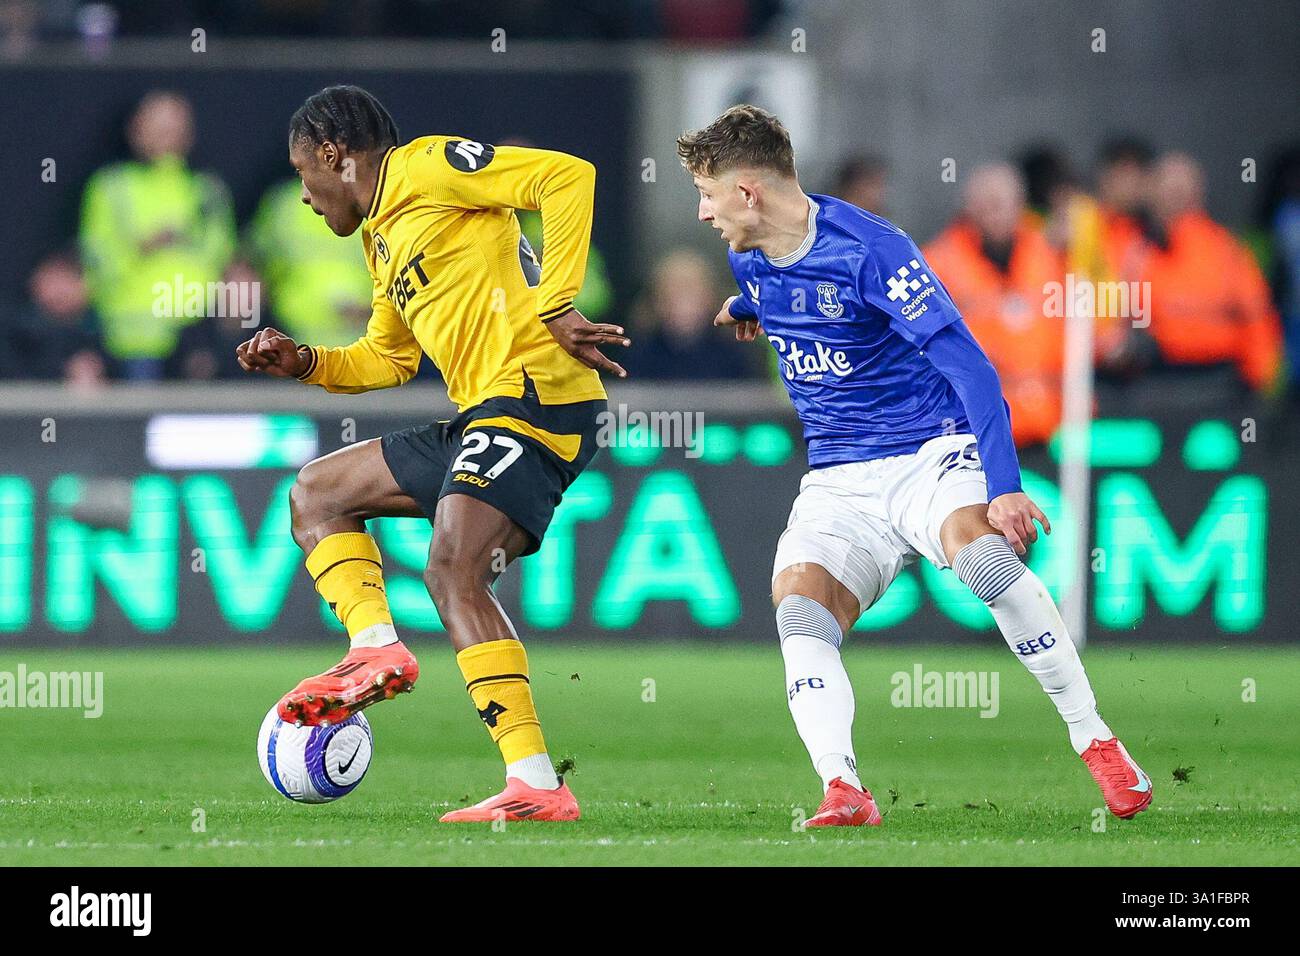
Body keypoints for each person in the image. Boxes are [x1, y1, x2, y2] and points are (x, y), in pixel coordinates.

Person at [678, 105, 1151, 827]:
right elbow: (801, 300)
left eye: (708, 193)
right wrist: (754, 307)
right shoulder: (749, 255)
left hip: (927, 451)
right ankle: (844, 789)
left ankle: (1096, 738)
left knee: (987, 564)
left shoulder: (873, 248)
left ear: (749, 192)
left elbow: (972, 367)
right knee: (800, 612)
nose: (702, 211)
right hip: (837, 476)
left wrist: (1006, 489)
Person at [236, 85, 629, 823]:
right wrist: (304, 361)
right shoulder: (380, 236)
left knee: (452, 567)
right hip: (484, 411)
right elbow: (387, 359)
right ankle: (376, 648)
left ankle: (538, 784)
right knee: (316, 493)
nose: (304, 196)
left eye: (302, 174)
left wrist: (558, 302)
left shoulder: (430, 165)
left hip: (537, 398)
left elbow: (566, 175)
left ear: (333, 155)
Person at [79, 90, 236, 380]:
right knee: (134, 422)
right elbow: (97, 258)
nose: (166, 135)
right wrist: (142, 249)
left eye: (174, 127)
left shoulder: (207, 190)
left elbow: (220, 257)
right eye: (157, 127)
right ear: (135, 130)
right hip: (131, 342)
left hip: (194, 339)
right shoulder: (111, 187)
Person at [922, 164, 1065, 446]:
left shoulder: (1051, 255)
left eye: (1002, 204)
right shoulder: (937, 264)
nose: (995, 214)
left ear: (1020, 205)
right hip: (976, 430)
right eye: (986, 205)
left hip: (1052, 426)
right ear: (969, 209)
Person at [632, 249, 753, 379]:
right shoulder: (640, 353)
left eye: (690, 288)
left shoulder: (734, 354)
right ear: (657, 299)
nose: (681, 298)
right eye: (673, 289)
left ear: (710, 297)